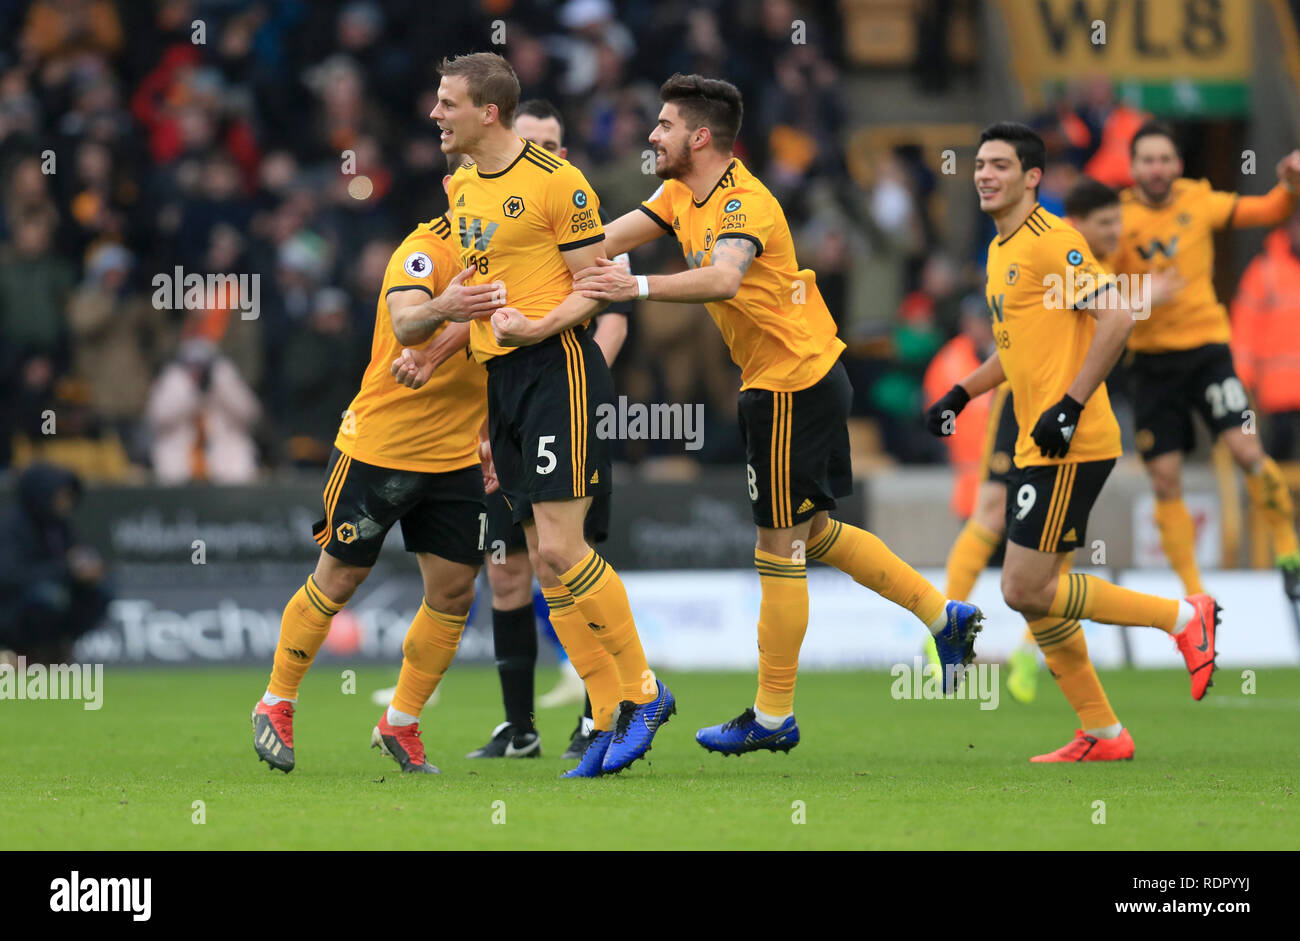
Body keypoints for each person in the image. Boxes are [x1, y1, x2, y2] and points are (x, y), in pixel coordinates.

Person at [573, 73, 984, 757]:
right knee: (814, 533)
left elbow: (725, 278)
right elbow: (598, 242)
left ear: (699, 137)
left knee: (778, 548)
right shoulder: (677, 193)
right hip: (782, 383)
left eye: (665, 125)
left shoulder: (747, 204)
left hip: (795, 384)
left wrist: (635, 286)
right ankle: (944, 615)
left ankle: (772, 714)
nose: (652, 135)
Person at [926, 123, 1219, 762]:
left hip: (1073, 439)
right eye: (979, 164)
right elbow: (1017, 350)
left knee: (1023, 587)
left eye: (999, 165)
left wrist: (1071, 404)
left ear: (1032, 178)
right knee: (1036, 595)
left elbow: (1116, 315)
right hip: (1040, 440)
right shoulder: (1001, 249)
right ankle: (1105, 733)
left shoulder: (1053, 240)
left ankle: (1182, 619)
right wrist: (962, 394)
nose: (984, 174)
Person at [432, 52, 670, 777]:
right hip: (502, 381)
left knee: (564, 551)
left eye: (448, 102)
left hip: (556, 368)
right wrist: (446, 345)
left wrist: (537, 327)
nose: (436, 114)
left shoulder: (558, 182)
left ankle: (643, 693)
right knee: (542, 561)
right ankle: (605, 715)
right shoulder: (464, 185)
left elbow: (598, 283)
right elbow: (478, 286)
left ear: (488, 111)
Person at [251, 151, 504, 774]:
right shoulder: (422, 250)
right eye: (472, 183)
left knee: (452, 594)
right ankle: (275, 703)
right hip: (380, 449)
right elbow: (406, 321)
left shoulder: (518, 254)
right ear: (452, 189)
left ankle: (402, 721)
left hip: (457, 459)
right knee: (339, 580)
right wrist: (446, 308)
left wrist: (497, 433)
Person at [460, 97, 631, 762]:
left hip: (560, 396)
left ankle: (606, 710)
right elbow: (475, 317)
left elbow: (612, 310)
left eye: (554, 143)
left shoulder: (569, 207)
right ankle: (520, 726)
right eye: (533, 141)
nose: (545, 153)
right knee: (506, 571)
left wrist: (574, 382)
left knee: (565, 556)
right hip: (505, 404)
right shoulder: (487, 215)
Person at [932, 176, 1136, 705]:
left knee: (1049, 553)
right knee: (992, 511)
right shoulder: (1052, 249)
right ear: (1079, 225)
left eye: (1118, 221)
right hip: (1020, 407)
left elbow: (1110, 331)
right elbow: (1018, 347)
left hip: (1066, 419)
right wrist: (963, 393)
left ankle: (1028, 651)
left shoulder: (1098, 277)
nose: (1114, 231)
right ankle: (943, 635)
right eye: (1106, 222)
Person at [1112, 122, 1300, 601]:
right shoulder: (1115, 220)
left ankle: (1287, 549)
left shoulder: (1199, 200)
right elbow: (1091, 293)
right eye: (1147, 160)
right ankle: (1195, 594)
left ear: (1178, 165)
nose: (1156, 169)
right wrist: (1142, 292)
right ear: (1132, 168)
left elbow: (1271, 210)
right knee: (1165, 477)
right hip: (1150, 362)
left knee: (1247, 452)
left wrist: (1290, 183)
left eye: (1164, 159)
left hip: (1207, 353)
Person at [0, 463, 111, 665]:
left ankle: (58, 649)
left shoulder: (60, 527)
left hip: (54, 598)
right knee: (48, 597)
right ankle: (30, 654)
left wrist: (86, 570)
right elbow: (9, 577)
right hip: (12, 608)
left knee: (101, 592)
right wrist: (66, 570)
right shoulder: (10, 527)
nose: (66, 502)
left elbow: (77, 557)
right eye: (61, 496)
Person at [1231, 207, 1300, 462]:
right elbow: (1244, 328)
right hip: (1278, 390)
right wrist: (1241, 379)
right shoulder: (1264, 271)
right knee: (1277, 454)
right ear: (1288, 227)